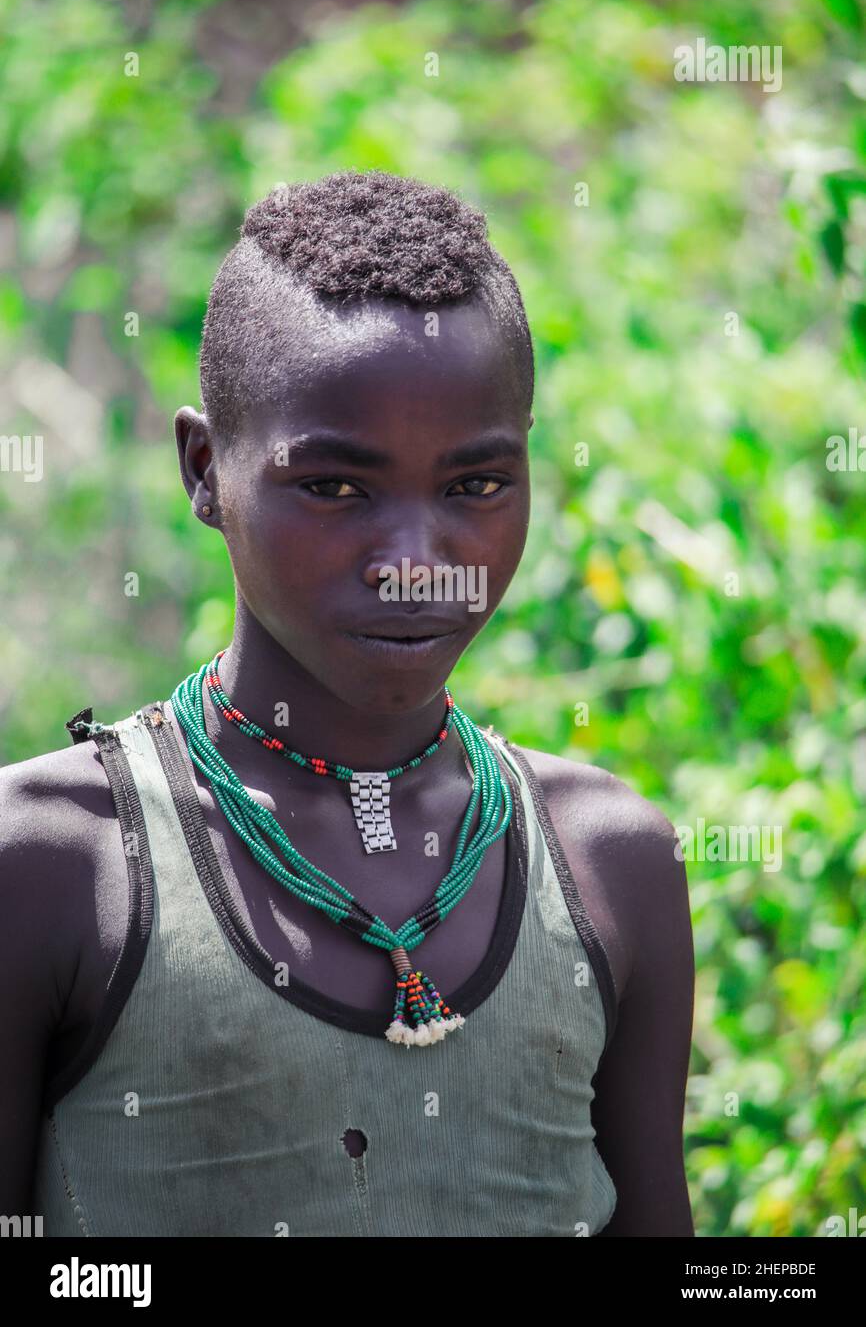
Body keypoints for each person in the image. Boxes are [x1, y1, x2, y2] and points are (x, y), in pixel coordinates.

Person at [0, 169, 694, 1237]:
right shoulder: (53, 863)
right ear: (203, 469)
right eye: (334, 487)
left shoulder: (610, 861)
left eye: (473, 486)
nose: (416, 565)